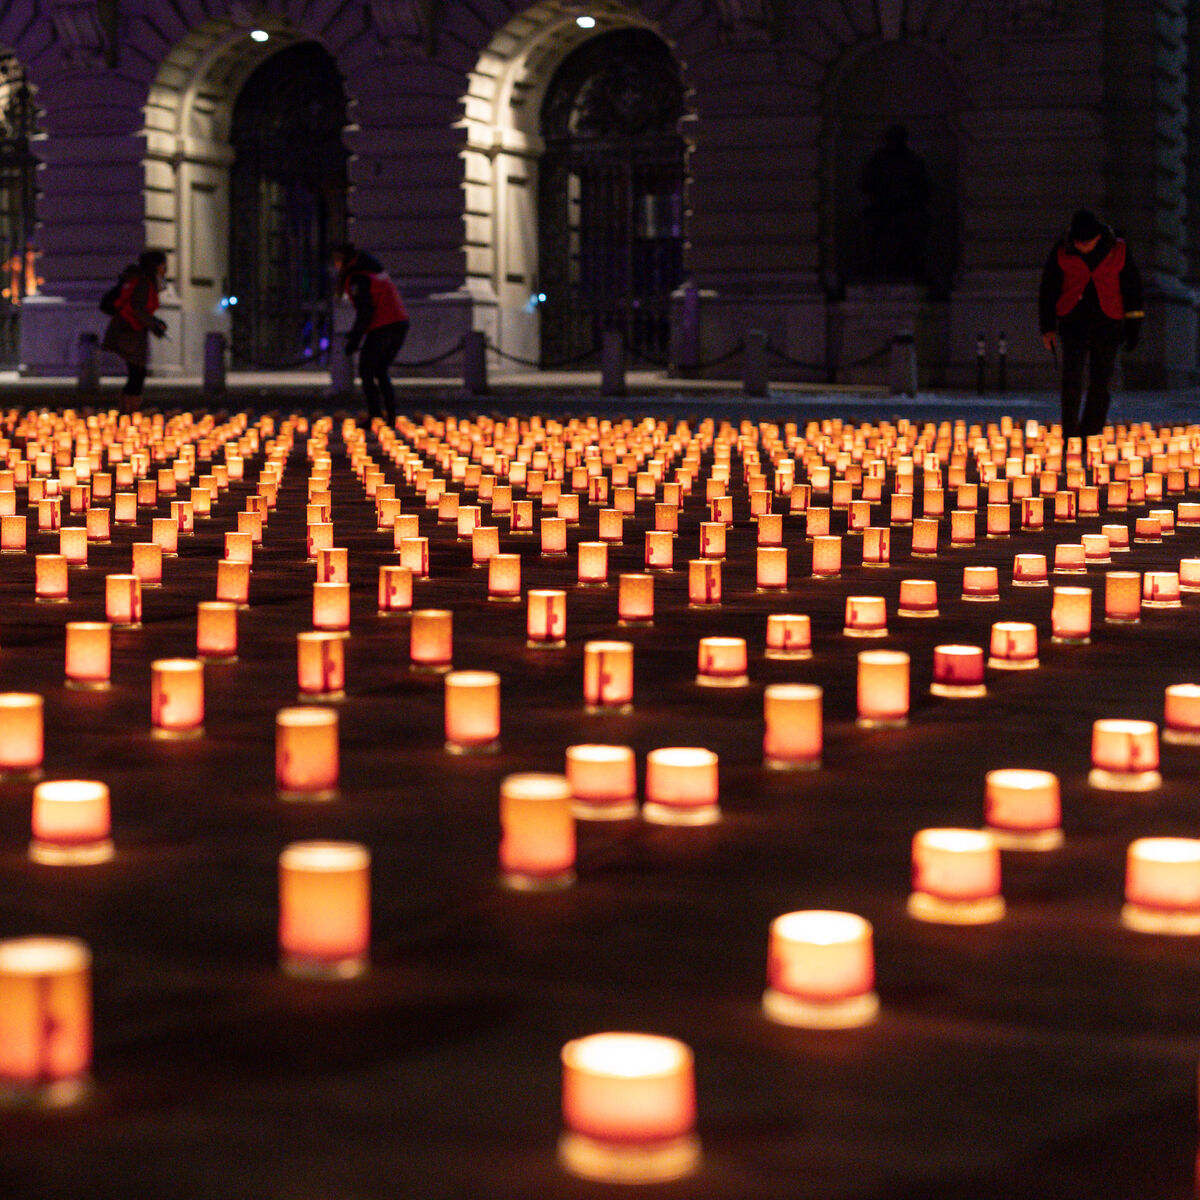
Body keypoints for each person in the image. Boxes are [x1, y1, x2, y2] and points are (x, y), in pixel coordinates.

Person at [1039, 209, 1144, 438]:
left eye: (1087, 242)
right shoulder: (1061, 251)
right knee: (1071, 381)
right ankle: (1070, 434)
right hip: (1073, 323)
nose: (1083, 247)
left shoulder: (1119, 250)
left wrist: (1133, 326)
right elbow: (1048, 289)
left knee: (1101, 382)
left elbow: (1132, 288)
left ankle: (1090, 432)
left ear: (1098, 237)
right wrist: (1047, 327)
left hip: (1108, 324)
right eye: (1079, 243)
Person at [332, 242, 409, 424]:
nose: (335, 264)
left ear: (344, 259)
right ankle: (389, 416)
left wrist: (355, 339)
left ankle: (376, 416)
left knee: (367, 371)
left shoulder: (358, 277)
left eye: (336, 259)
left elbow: (365, 310)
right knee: (380, 371)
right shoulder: (371, 269)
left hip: (384, 326)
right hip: (398, 323)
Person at [860, 124, 931, 282]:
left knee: (913, 226)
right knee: (874, 227)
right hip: (883, 209)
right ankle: (879, 268)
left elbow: (924, 190)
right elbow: (866, 184)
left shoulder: (913, 162)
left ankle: (909, 268)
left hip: (907, 210)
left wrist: (907, 198)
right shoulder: (878, 160)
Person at [101, 249, 168, 414]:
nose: (165, 270)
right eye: (164, 266)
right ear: (157, 266)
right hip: (128, 330)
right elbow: (138, 308)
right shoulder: (144, 282)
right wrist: (155, 325)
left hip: (130, 329)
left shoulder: (142, 280)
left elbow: (141, 308)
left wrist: (156, 323)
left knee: (136, 372)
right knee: (137, 372)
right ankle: (128, 411)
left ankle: (128, 410)